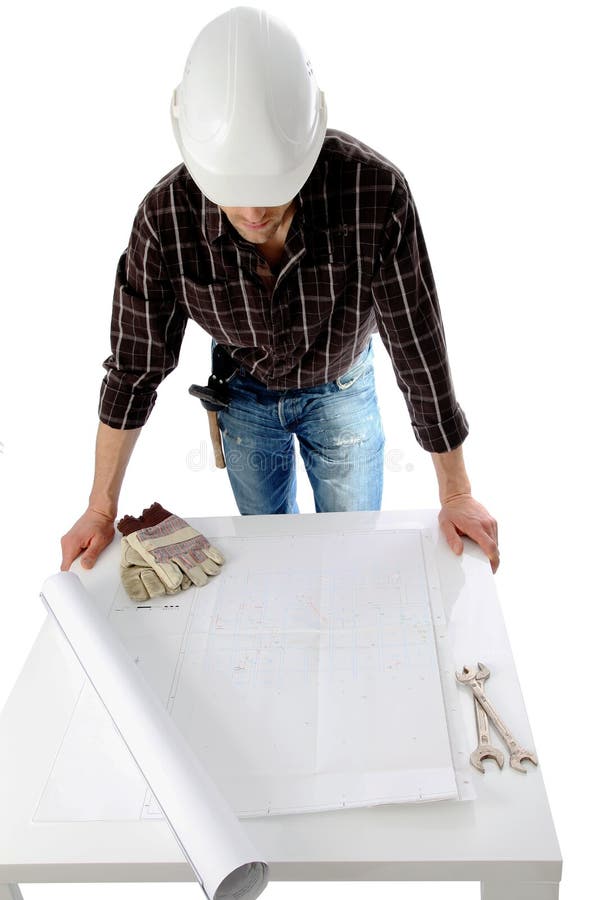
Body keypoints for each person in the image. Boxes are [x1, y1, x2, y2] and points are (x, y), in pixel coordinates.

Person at [60, 6, 499, 574]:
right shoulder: (163, 220)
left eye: (272, 187)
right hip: (243, 393)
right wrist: (100, 508)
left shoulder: (375, 194)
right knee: (268, 558)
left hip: (343, 387)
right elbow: (133, 369)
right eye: (231, 191)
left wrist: (456, 491)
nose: (253, 211)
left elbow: (419, 349)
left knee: (351, 553)